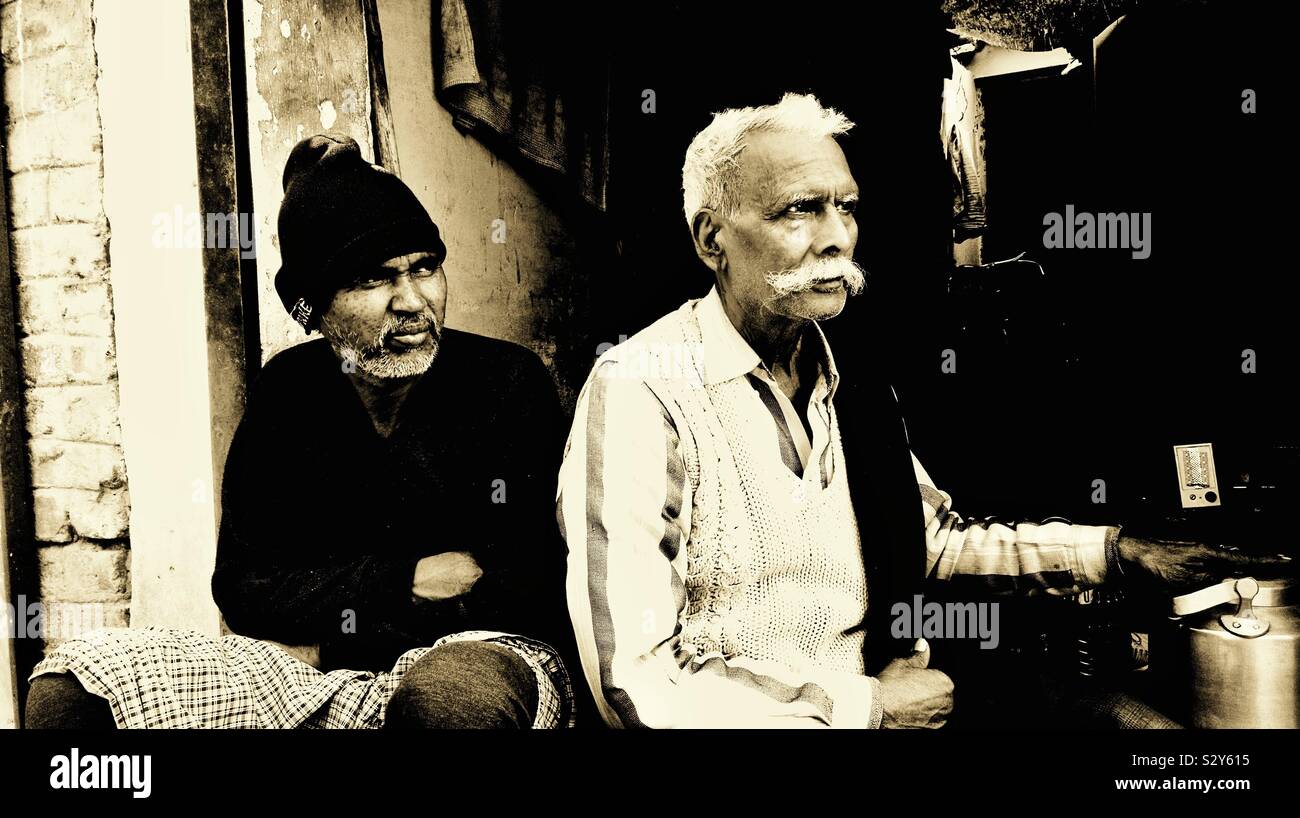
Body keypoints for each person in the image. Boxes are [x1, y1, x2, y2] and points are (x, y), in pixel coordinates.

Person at [556, 93, 1284, 729]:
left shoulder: (852, 384)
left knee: (1150, 733)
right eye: (799, 210)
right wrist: (866, 709)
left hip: (903, 701)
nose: (837, 237)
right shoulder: (642, 390)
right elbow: (637, 685)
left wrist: (1117, 553)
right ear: (710, 237)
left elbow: (929, 539)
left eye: (846, 208)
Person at [25, 134, 576, 729]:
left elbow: (521, 584)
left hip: (483, 657)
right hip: (313, 674)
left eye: (426, 268)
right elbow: (245, 586)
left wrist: (330, 616)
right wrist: (403, 580)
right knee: (78, 683)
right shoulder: (289, 389)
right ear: (315, 305)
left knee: (448, 698)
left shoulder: (506, 382)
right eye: (373, 280)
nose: (414, 301)